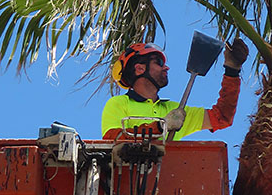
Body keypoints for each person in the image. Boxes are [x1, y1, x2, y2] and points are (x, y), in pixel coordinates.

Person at [101, 38, 248, 141]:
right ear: (139, 69)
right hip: (130, 181)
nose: (166, 67)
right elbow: (113, 139)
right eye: (159, 62)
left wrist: (232, 70)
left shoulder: (176, 111)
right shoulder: (119, 103)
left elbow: (222, 117)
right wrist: (160, 126)